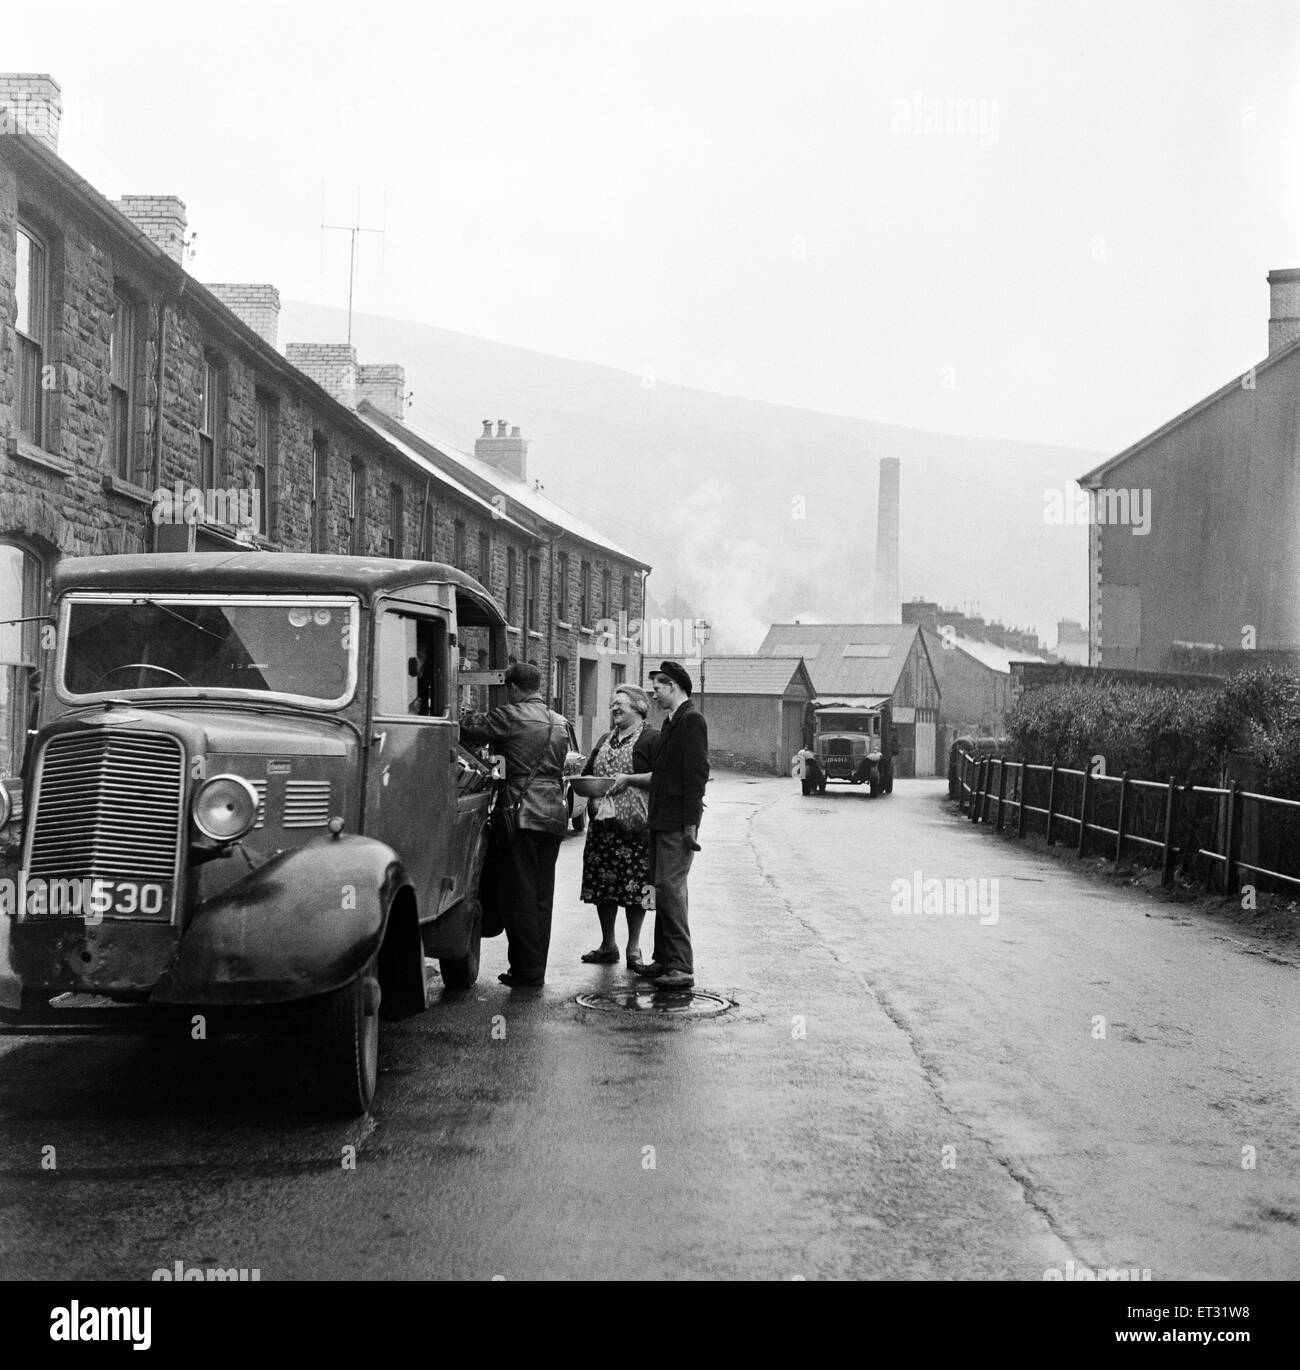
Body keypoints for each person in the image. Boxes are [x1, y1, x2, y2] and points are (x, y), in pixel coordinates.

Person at [460, 662, 569, 987]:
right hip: (553, 812)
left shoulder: (511, 715)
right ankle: (536, 967)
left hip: (521, 811)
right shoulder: (559, 723)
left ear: (513, 688)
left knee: (519, 893)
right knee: (541, 895)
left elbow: (468, 727)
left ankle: (526, 971)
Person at [622, 660, 709, 990]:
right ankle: (663, 959)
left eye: (658, 687)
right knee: (659, 890)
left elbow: (697, 774)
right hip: (660, 819)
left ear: (672, 686)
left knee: (670, 891)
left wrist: (691, 824)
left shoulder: (691, 720)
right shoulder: (673, 721)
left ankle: (682, 967)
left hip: (676, 821)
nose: (653, 694)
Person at [578, 685, 659, 967]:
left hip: (637, 829)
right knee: (603, 886)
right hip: (603, 828)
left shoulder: (652, 739)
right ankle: (607, 944)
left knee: (637, 890)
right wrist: (590, 795)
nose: (614, 708)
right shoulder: (604, 740)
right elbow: (588, 775)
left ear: (638, 707)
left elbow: (661, 777)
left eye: (620, 704)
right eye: (612, 704)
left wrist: (629, 779)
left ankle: (634, 946)